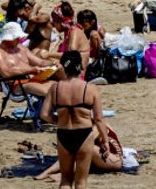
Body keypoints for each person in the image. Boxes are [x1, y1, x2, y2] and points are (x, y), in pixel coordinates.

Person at [42, 51, 108, 189]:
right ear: (80, 66)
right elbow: (99, 118)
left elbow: (44, 114)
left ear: (64, 67)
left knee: (65, 179)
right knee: (81, 181)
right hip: (83, 133)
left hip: (64, 133)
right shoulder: (90, 89)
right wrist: (105, 140)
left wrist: (57, 121)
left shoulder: (55, 88)